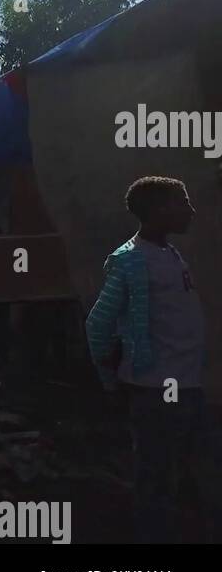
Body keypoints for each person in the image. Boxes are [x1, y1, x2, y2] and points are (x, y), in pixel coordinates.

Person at [85, 176, 220, 542]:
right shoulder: (130, 260)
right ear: (160, 211)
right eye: (183, 202)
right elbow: (98, 324)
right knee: (156, 480)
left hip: (186, 386)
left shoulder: (169, 252)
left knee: (199, 473)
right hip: (155, 389)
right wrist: (110, 379)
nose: (191, 209)